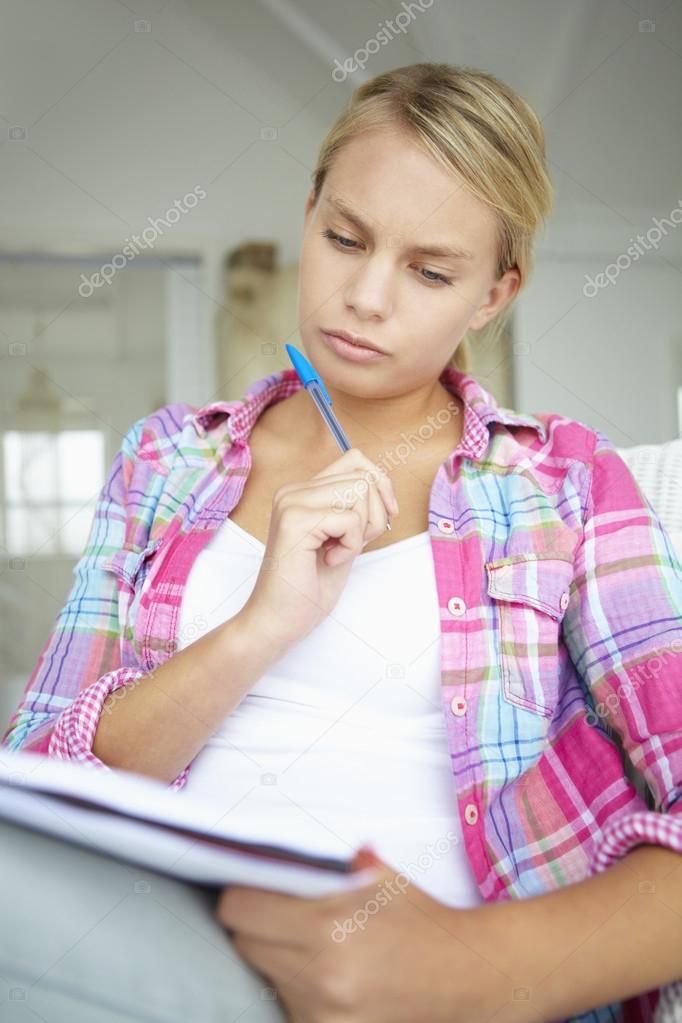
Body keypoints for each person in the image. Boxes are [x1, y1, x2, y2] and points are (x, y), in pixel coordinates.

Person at [2, 61, 682, 1023]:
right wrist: (257, 628)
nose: (365, 296)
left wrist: (473, 970)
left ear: (494, 294)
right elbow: (38, 786)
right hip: (153, 966)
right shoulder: (164, 464)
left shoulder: (565, 485)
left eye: (431, 271)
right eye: (344, 237)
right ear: (309, 209)